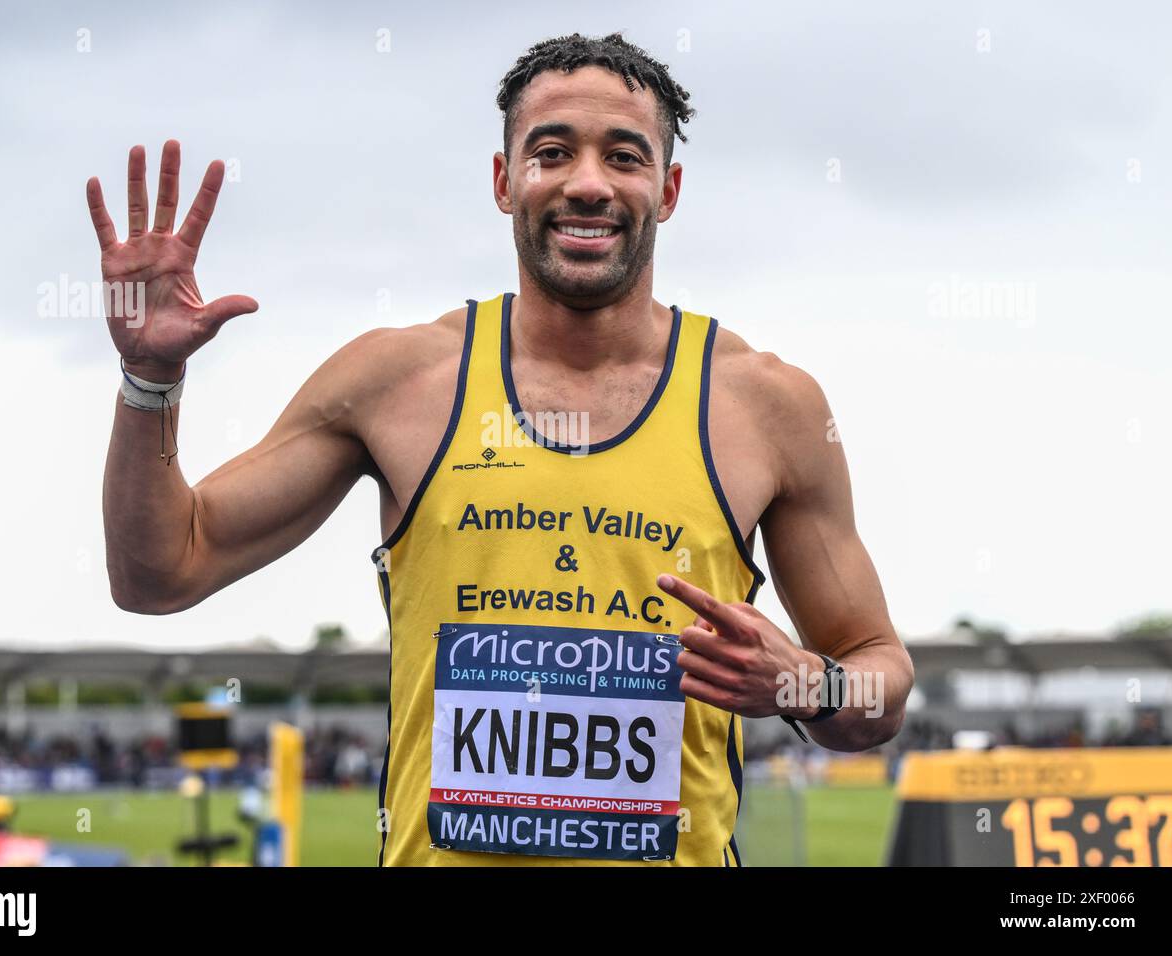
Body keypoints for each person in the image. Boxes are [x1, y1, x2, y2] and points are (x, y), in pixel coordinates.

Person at [87, 32, 913, 866]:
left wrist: (804, 683)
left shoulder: (768, 408)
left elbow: (880, 679)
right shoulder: (395, 382)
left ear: (666, 190)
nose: (587, 183)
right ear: (503, 179)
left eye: (623, 157)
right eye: (551, 152)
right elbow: (160, 573)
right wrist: (149, 376)